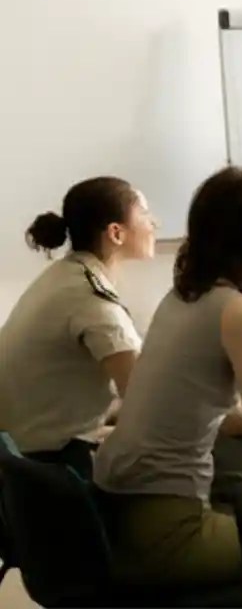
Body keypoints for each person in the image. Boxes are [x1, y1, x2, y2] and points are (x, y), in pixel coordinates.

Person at [94, 166, 242, 588]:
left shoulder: (182, 298)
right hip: (168, 535)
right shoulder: (240, 313)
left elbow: (194, 409)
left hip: (117, 514)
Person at [0, 177, 156, 477]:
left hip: (22, 456)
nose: (154, 223)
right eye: (146, 214)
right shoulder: (92, 300)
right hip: (52, 467)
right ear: (116, 233)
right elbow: (148, 400)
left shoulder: (66, 275)